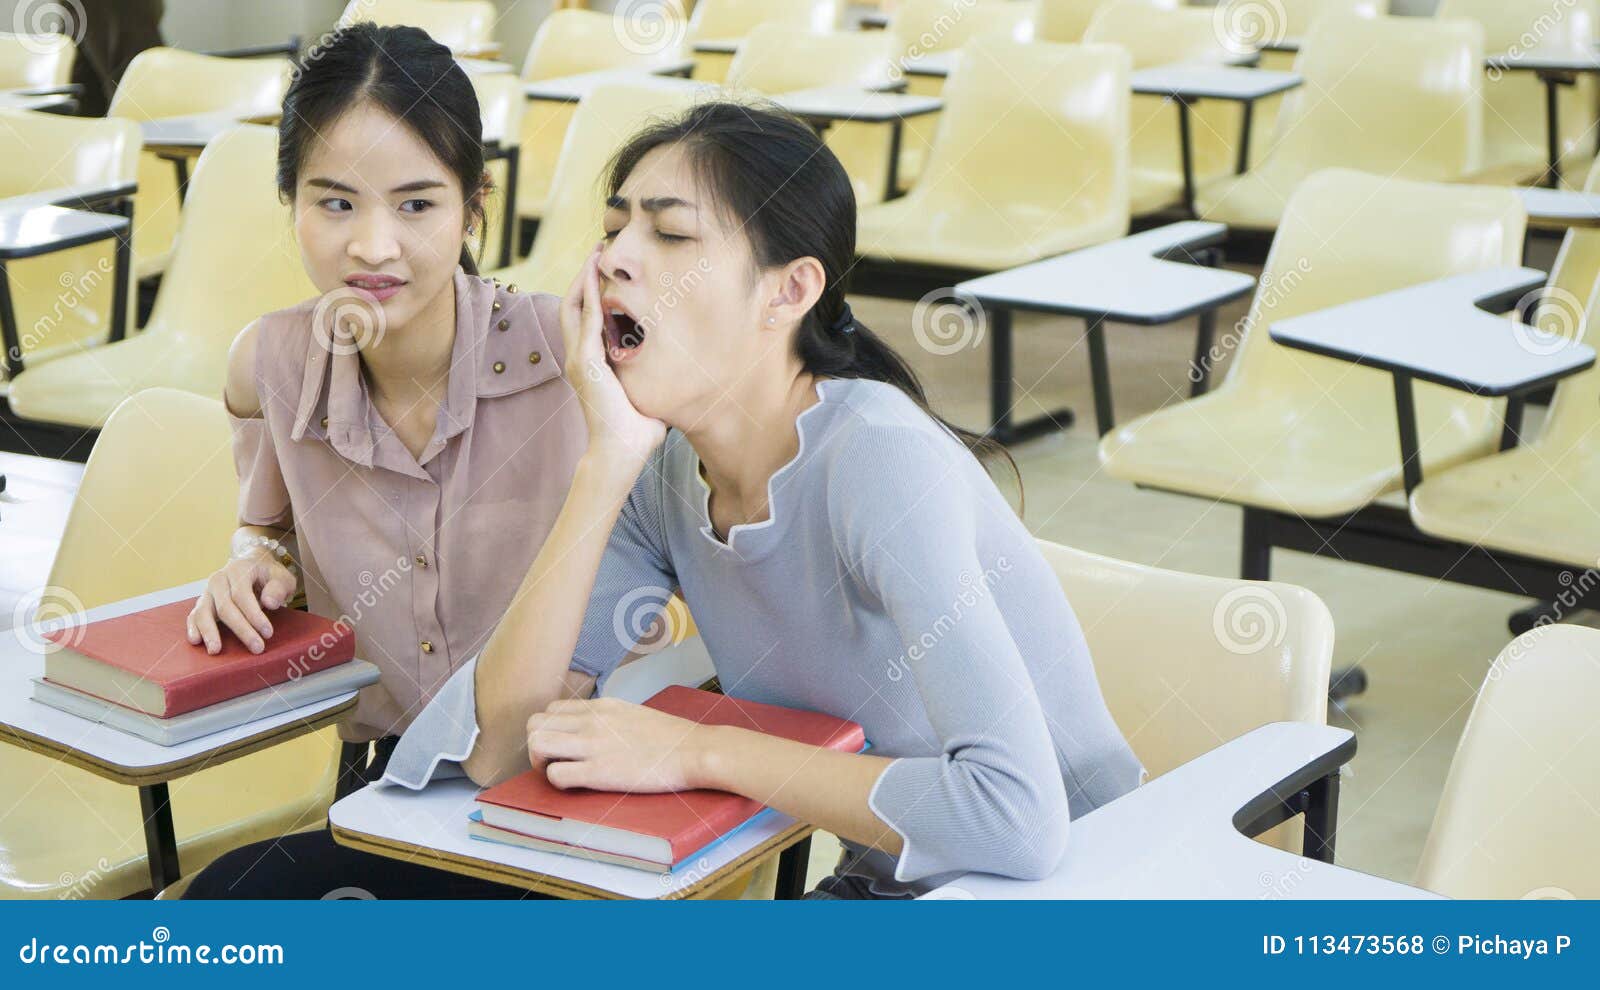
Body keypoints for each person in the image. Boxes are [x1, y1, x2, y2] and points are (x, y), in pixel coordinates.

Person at [397, 101, 1145, 899]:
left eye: (670, 234)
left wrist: (695, 750)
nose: (616, 258)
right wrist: (605, 463)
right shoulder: (664, 472)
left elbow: (1017, 823)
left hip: (1084, 893)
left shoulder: (878, 460)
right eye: (614, 228)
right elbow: (501, 745)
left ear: (788, 292)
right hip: (897, 892)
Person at [180, 22, 586, 899]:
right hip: (390, 789)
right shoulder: (270, 366)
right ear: (288, 200)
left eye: (415, 204)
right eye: (335, 203)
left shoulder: (571, 359)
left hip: (566, 796)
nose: (372, 246)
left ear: (475, 205)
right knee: (217, 907)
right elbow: (265, 531)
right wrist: (252, 567)